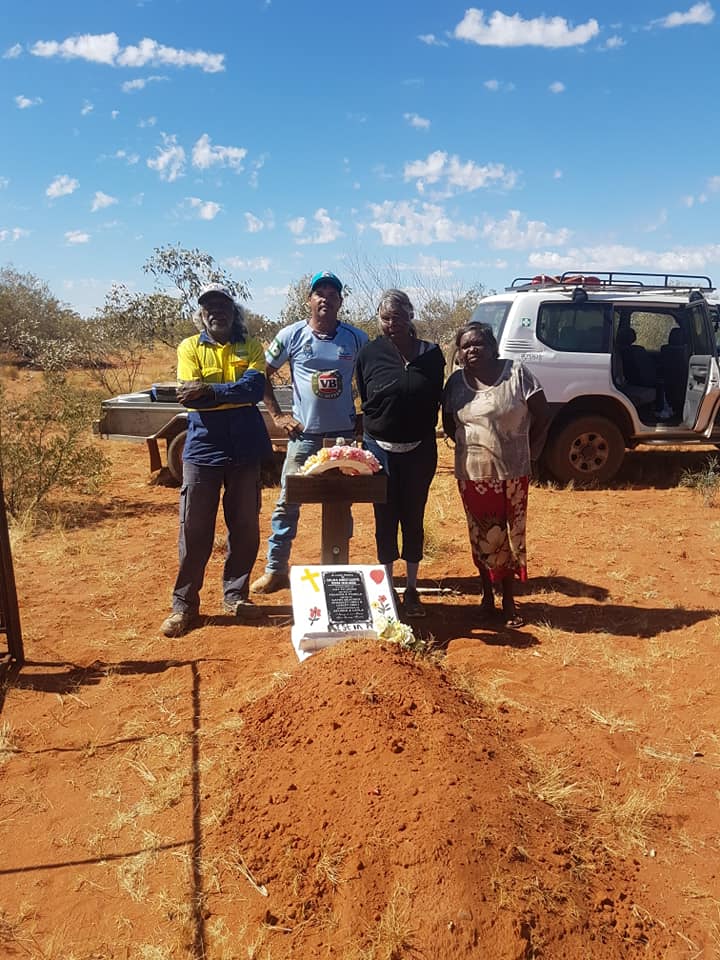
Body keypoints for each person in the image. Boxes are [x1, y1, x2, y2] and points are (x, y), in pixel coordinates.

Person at [160, 284, 272, 637]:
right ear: (201, 314)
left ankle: (236, 596)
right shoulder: (189, 347)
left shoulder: (251, 346)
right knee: (194, 528)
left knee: (245, 526)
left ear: (233, 310)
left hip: (245, 448)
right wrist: (223, 394)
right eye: (209, 306)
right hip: (203, 449)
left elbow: (255, 389)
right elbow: (189, 397)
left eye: (222, 304)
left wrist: (211, 392)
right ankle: (184, 606)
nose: (216, 311)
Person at [251, 271, 369, 593]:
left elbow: (372, 375)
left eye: (332, 294)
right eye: (319, 293)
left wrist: (365, 415)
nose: (325, 299)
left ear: (340, 301)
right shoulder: (291, 335)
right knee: (288, 501)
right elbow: (261, 373)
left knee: (341, 502)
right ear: (309, 299)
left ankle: (338, 568)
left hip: (342, 437)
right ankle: (276, 569)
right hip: (303, 437)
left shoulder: (356, 338)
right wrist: (277, 415)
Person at [442, 323, 550, 627]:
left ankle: (509, 601)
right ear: (459, 354)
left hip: (512, 472)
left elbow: (542, 414)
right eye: (465, 346)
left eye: (478, 344)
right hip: (472, 475)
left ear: (492, 346)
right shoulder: (455, 384)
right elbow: (451, 425)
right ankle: (487, 594)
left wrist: (534, 452)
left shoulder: (517, 373)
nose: (472, 350)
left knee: (510, 538)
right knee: (481, 535)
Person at [355, 289, 445, 618]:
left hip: (420, 451)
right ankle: (387, 588)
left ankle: (411, 588)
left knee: (413, 517)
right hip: (379, 450)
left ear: (411, 316)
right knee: (384, 519)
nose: (392, 323)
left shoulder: (432, 354)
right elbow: (367, 397)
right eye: (385, 317)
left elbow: (437, 395)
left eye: (399, 316)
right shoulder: (369, 353)